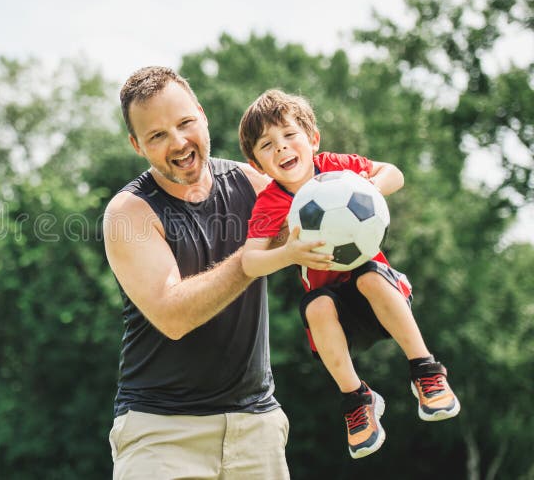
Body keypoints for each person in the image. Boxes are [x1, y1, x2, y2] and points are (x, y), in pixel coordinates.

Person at [238, 89, 460, 459]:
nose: (281, 148)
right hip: (336, 313)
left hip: (382, 295)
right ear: (258, 165)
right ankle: (357, 399)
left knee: (369, 276)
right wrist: (288, 252)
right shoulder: (271, 202)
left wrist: (369, 189)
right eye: (267, 145)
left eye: (289, 135)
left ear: (312, 139)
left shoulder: (337, 169)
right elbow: (249, 263)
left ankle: (425, 369)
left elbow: (395, 173)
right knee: (316, 307)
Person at [103, 67, 291, 479]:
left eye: (185, 123)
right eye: (157, 135)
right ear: (137, 145)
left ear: (203, 116)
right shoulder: (129, 212)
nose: (178, 142)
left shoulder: (252, 183)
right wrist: (256, 256)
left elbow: (314, 224)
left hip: (256, 427)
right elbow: (173, 315)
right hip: (162, 435)